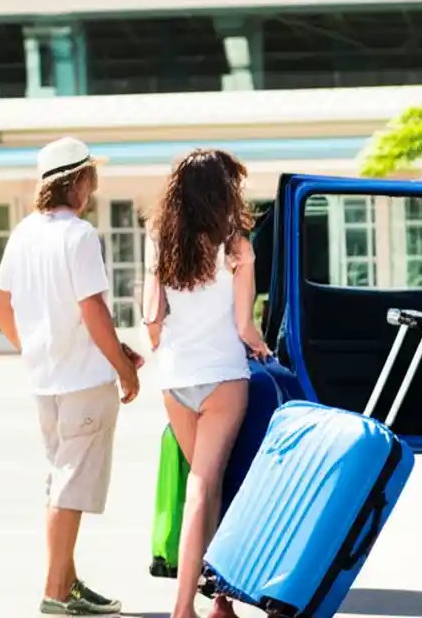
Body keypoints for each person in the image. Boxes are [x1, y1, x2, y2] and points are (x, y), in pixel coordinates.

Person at [0, 136, 143, 616]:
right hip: (83, 383)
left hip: (47, 383)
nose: (94, 185)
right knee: (70, 488)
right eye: (91, 176)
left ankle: (69, 583)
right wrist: (123, 369)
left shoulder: (24, 233)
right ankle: (56, 591)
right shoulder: (79, 236)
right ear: (77, 181)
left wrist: (35, 348)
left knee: (61, 485)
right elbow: (93, 309)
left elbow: (0, 304)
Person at [142, 149, 271, 618]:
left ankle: (219, 603)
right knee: (204, 485)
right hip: (221, 378)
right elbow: (244, 325)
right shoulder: (235, 244)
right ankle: (183, 608)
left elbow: (151, 316)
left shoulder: (161, 237)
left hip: (175, 377)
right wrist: (263, 349)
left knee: (209, 487)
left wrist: (167, 343)